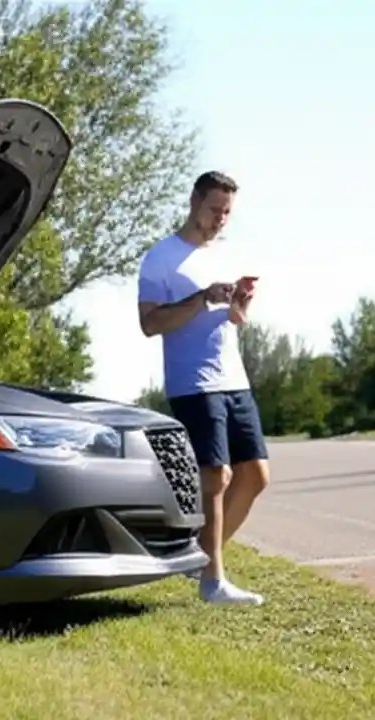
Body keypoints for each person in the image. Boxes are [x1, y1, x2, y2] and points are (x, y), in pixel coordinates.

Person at [136, 170, 269, 605]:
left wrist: (238, 306)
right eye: (214, 209)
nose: (220, 220)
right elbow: (150, 323)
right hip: (193, 382)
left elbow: (233, 322)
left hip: (234, 377)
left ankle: (197, 558)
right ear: (194, 201)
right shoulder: (161, 258)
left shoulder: (224, 254)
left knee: (255, 475)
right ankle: (213, 582)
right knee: (216, 475)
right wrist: (201, 299)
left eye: (227, 213)